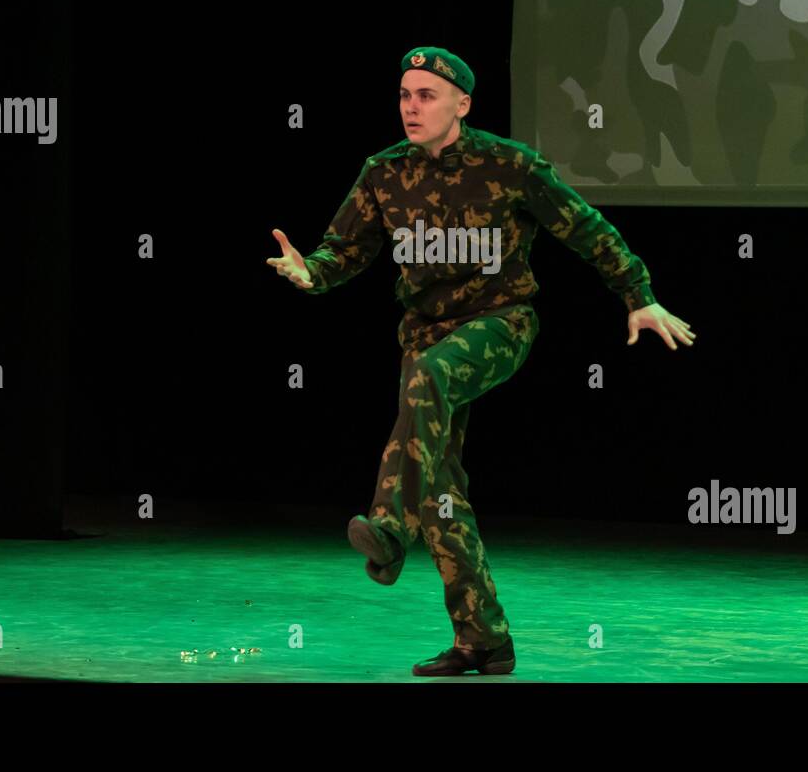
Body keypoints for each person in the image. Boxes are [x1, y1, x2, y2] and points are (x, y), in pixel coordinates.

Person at [266, 46, 696, 676]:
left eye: (427, 96)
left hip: (501, 324)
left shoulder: (511, 164)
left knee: (429, 377)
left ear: (461, 105)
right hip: (423, 333)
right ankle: (484, 640)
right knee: (439, 489)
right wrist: (312, 273)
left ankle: (389, 527)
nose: (412, 107)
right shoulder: (383, 171)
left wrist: (639, 296)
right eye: (405, 95)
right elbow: (344, 250)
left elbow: (586, 228)